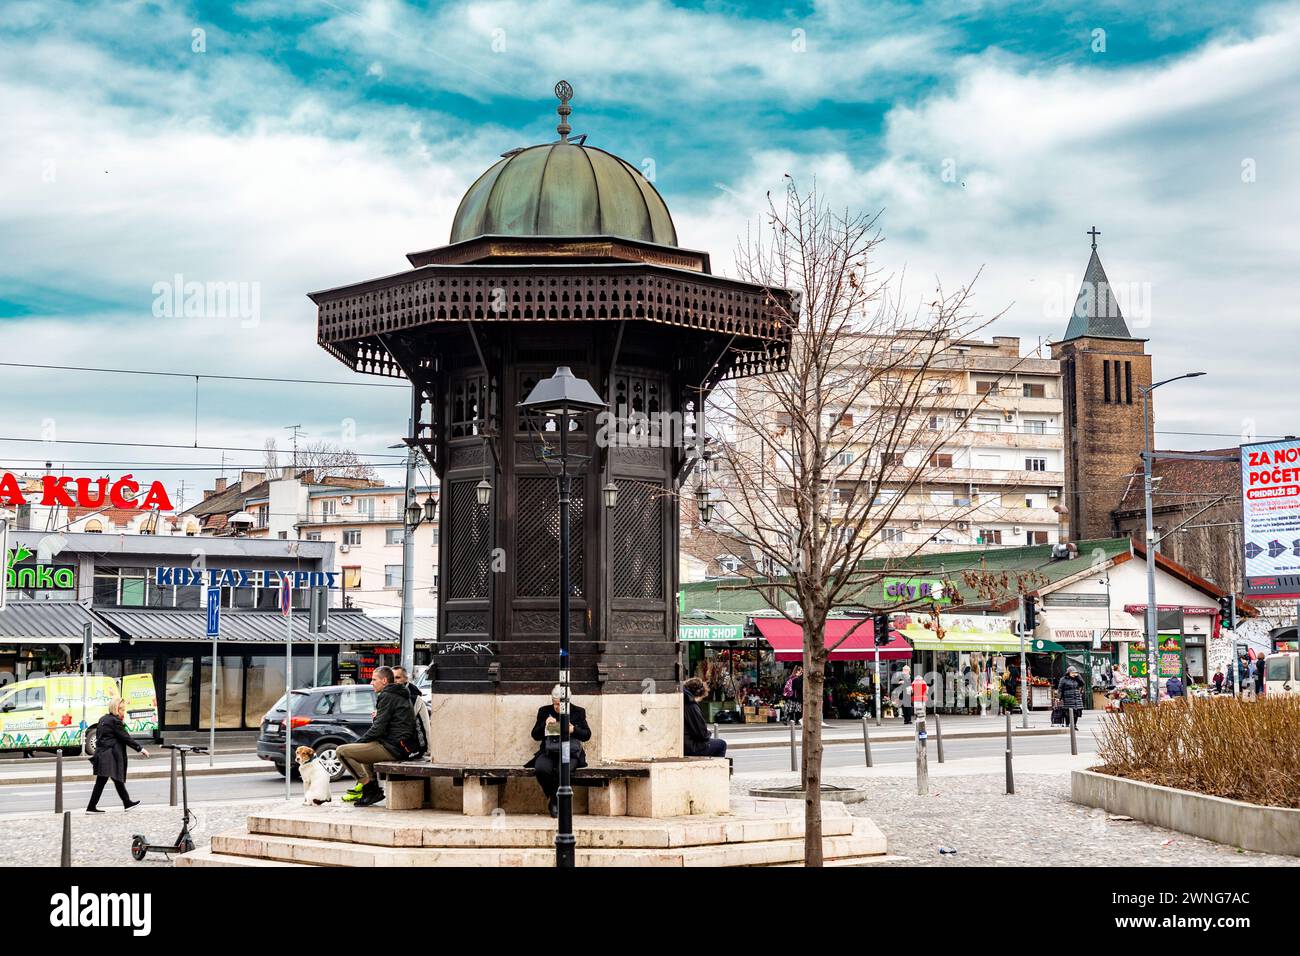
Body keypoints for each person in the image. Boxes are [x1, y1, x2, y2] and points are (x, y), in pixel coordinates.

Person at [337, 666, 420, 807]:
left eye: (374, 679)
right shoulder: (397, 694)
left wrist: (359, 743)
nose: (371, 683)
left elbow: (378, 729)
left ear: (384, 680)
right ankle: (372, 790)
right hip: (399, 745)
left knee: (342, 751)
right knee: (365, 749)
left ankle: (370, 789)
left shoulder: (387, 696)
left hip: (394, 747)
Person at [526, 685, 592, 818]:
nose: (556, 707)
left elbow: (587, 735)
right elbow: (535, 735)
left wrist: (574, 730)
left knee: (563, 770)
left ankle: (556, 803)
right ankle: (553, 798)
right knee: (541, 769)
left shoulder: (577, 712)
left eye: (559, 704)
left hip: (570, 752)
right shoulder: (544, 711)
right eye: (554, 703)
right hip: (549, 751)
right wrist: (545, 725)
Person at [86, 698, 149, 813]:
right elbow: (126, 738)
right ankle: (92, 807)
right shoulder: (115, 722)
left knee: (113, 780)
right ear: (117, 709)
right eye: (123, 710)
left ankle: (126, 803)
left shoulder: (103, 719)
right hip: (109, 756)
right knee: (107, 781)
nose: (123, 712)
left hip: (102, 754)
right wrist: (140, 748)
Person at [682, 678, 727, 757]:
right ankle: (715, 768)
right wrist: (708, 733)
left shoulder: (683, 701)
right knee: (721, 744)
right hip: (689, 746)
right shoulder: (691, 705)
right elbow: (702, 733)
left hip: (684, 742)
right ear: (699, 695)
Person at [392, 665, 430, 756]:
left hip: (416, 746)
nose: (394, 680)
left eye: (397, 677)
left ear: (406, 679)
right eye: (392, 678)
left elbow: (401, 720)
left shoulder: (412, 696)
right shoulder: (394, 693)